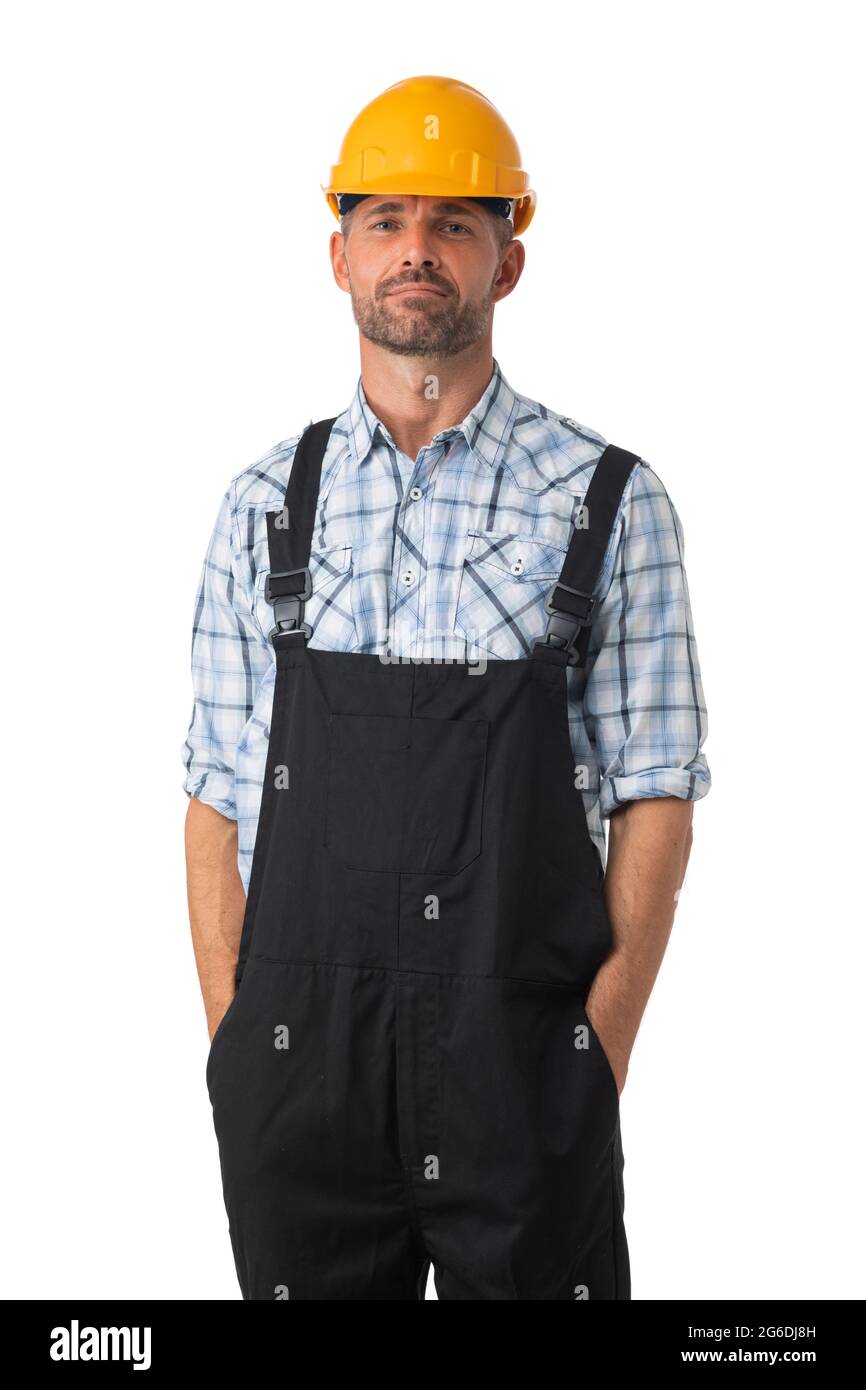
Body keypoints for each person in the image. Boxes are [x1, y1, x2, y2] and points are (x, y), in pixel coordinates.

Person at [182, 74, 711, 1301]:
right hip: (296, 1084)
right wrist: (235, 1053)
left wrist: (593, 1053)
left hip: (521, 1076)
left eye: (454, 222)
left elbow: (657, 792)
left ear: (505, 261)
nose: (415, 249)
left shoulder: (608, 502)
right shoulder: (264, 504)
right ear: (337, 254)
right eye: (386, 220)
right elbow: (214, 794)